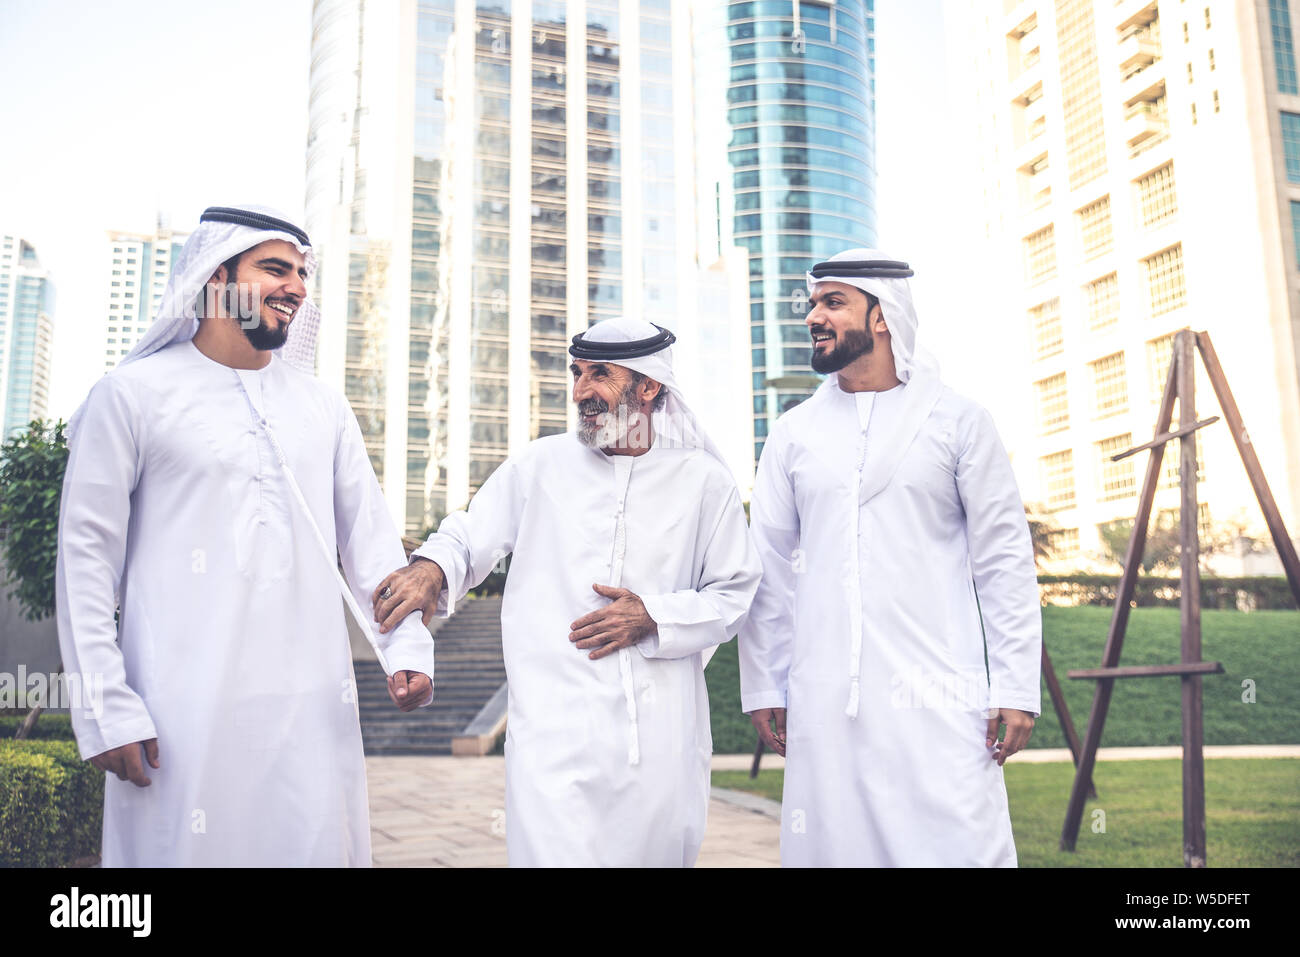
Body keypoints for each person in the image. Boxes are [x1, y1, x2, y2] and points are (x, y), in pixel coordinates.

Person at [56, 204, 435, 867]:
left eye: (301, 272)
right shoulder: (132, 395)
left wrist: (406, 644)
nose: (295, 286)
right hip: (178, 714)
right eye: (274, 268)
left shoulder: (323, 407)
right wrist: (104, 703)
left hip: (309, 714)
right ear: (214, 276)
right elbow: (86, 560)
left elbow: (373, 552)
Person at [371, 317, 761, 867]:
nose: (580, 390)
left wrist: (653, 616)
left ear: (649, 387)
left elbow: (734, 592)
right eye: (576, 373)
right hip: (552, 738)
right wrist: (433, 567)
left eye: (599, 374)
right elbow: (469, 535)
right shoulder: (539, 465)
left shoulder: (704, 483)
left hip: (657, 743)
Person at [739, 248, 1042, 867]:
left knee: (959, 843)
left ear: (883, 316)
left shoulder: (958, 421)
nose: (813, 316)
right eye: (813, 302)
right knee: (833, 847)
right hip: (824, 698)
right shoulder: (794, 433)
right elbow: (768, 566)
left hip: (939, 689)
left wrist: (1014, 684)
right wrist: (765, 681)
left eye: (833, 302)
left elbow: (1004, 561)